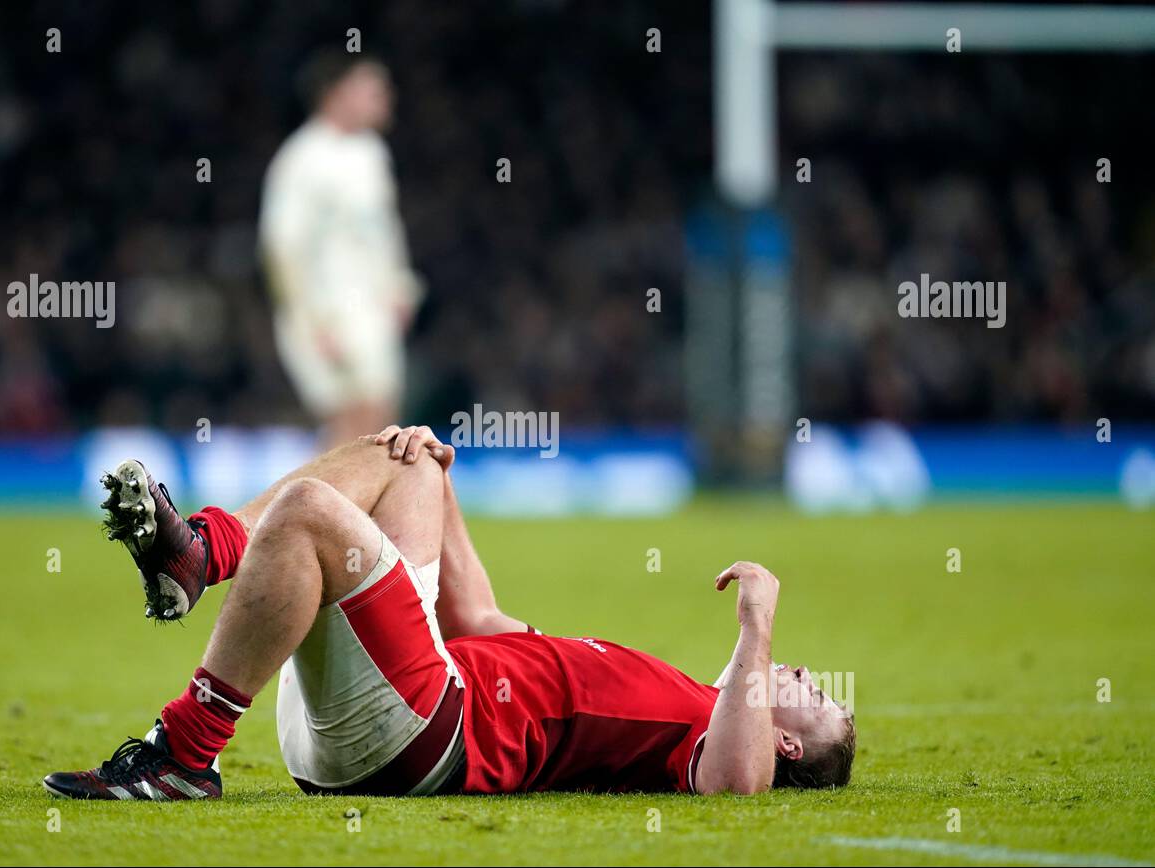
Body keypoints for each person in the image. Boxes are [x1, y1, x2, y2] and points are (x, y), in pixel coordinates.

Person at [44, 426, 854, 800]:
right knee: (398, 456)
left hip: (428, 729)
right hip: (415, 688)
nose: (809, 677)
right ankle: (203, 554)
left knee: (309, 511)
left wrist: (757, 627)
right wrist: (442, 478)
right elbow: (475, 615)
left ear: (783, 741)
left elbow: (737, 788)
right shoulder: (670, 689)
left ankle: (185, 755)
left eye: (814, 702)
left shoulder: (707, 736)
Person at [259, 53, 423, 450]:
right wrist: (312, 320)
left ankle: (337, 510)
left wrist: (399, 286)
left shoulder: (371, 153)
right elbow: (281, 247)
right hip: (329, 309)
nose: (385, 98)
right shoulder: (302, 159)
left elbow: (382, 231)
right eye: (372, 89)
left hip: (371, 307)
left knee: (377, 417)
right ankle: (314, 508)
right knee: (351, 421)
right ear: (337, 94)